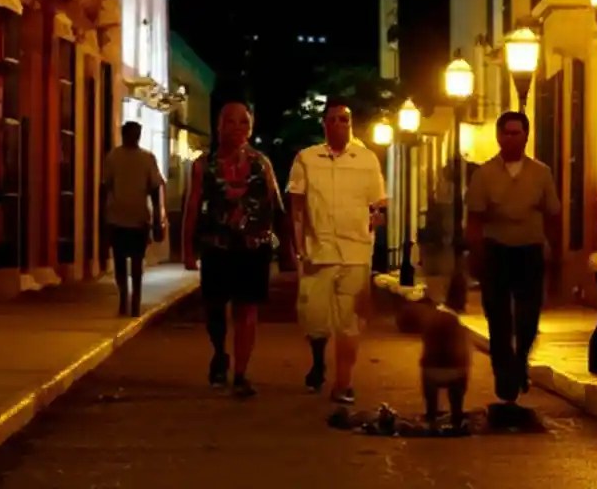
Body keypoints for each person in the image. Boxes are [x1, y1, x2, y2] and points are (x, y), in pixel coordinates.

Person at [182, 103, 289, 396]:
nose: (237, 128)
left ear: (251, 128)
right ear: (219, 126)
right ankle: (219, 352)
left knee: (247, 308)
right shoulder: (203, 164)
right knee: (215, 307)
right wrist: (187, 249)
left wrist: (288, 247)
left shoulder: (261, 164)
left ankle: (241, 372)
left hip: (253, 247)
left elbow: (276, 205)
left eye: (244, 122)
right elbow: (192, 206)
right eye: (230, 121)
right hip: (216, 246)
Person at [288, 101, 387, 404]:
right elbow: (296, 207)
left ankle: (344, 382)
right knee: (314, 318)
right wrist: (297, 247)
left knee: (350, 321)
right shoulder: (306, 159)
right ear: (324, 125)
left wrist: (375, 223)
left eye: (343, 120)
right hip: (318, 252)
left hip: (355, 252)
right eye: (331, 120)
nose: (337, 125)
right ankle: (319, 360)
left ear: (351, 124)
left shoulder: (367, 159)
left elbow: (379, 202)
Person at [464, 111, 561, 406]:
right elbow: (475, 218)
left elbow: (553, 215)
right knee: (498, 319)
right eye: (506, 133)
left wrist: (555, 254)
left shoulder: (541, 173)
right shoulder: (484, 174)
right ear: (498, 136)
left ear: (526, 136)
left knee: (529, 318)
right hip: (496, 251)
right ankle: (504, 375)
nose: (511, 138)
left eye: (516, 133)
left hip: (529, 251)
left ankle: (520, 363)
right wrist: (476, 254)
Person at [102, 121, 166, 317]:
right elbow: (105, 187)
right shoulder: (114, 157)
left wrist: (157, 219)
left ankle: (135, 299)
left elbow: (155, 191)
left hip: (137, 219)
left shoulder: (146, 158)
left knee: (136, 262)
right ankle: (124, 298)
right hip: (118, 217)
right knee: (121, 262)